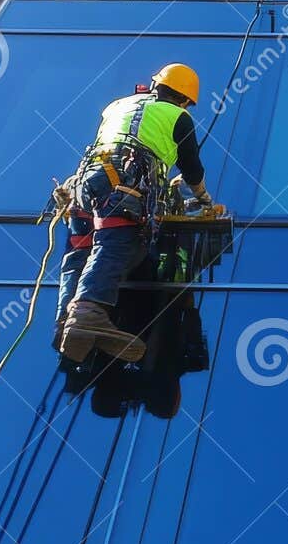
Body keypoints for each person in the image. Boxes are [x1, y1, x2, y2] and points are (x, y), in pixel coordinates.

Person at [56, 63, 216, 363]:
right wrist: (204, 199)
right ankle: (88, 312)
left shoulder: (117, 106)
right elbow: (192, 168)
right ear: (184, 99)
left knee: (80, 251)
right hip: (123, 183)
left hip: (85, 183)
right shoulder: (178, 116)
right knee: (115, 244)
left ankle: (65, 321)